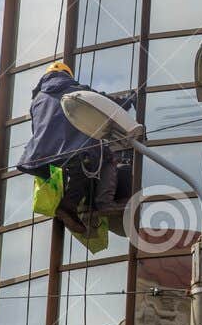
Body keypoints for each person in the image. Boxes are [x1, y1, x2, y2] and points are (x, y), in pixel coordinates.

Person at [16, 61, 123, 236]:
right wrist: (125, 101)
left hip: (43, 153)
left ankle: (69, 207)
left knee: (79, 170)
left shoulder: (36, 101)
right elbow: (102, 102)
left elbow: (36, 129)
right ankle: (104, 203)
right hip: (72, 147)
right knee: (106, 157)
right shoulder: (75, 89)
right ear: (67, 76)